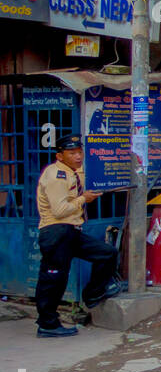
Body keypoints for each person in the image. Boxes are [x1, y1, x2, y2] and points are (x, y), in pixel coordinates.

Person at [34, 135, 122, 337]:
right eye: (72, 153)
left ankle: (92, 295)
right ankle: (47, 324)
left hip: (71, 231)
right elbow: (59, 210)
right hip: (56, 231)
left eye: (80, 152)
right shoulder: (57, 176)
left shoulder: (72, 172)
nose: (78, 157)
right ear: (60, 155)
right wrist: (84, 198)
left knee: (107, 253)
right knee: (53, 279)